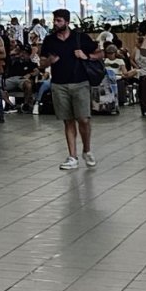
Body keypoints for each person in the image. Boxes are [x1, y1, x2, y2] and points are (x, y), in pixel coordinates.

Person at [41, 9, 100, 170]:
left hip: (80, 82)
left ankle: (86, 149)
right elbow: (41, 62)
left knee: (84, 119)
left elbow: (99, 53)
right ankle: (72, 156)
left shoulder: (80, 38)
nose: (55, 23)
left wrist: (86, 56)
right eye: (54, 20)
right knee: (68, 120)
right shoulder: (50, 40)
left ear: (67, 22)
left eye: (59, 21)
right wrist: (49, 62)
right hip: (59, 84)